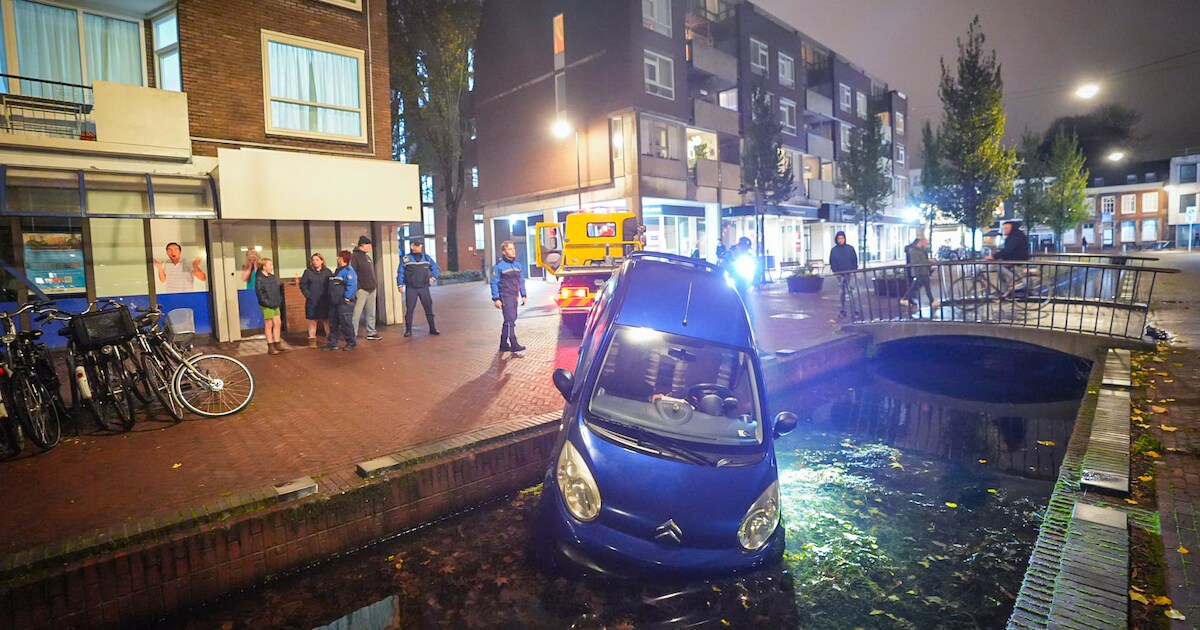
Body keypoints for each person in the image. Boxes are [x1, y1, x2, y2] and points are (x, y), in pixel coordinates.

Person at [490, 240, 527, 353]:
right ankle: (513, 343)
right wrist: (496, 299)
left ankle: (503, 344)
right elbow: (494, 283)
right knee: (510, 319)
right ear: (504, 252)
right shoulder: (498, 267)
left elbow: (521, 281)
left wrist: (523, 294)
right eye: (510, 249)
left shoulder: (518, 265)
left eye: (513, 249)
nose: (513, 251)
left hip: (514, 296)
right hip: (505, 296)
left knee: (510, 319)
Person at [397, 240, 440, 337]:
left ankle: (432, 328)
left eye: (418, 245)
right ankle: (408, 331)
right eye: (414, 245)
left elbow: (435, 268)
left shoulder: (426, 257)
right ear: (411, 246)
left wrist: (433, 277)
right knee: (410, 309)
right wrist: (400, 285)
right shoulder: (406, 259)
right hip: (411, 288)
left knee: (428, 308)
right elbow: (400, 272)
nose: (416, 247)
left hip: (424, 287)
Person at [323, 251, 358, 351]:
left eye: (339, 257)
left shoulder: (348, 271)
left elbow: (352, 285)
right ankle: (333, 343)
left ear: (342, 258)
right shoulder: (338, 270)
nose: (337, 258)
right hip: (334, 302)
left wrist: (347, 297)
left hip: (344, 303)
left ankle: (351, 343)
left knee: (346, 323)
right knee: (333, 324)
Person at [298, 253, 333, 349]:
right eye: (313, 260)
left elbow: (332, 284)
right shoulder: (308, 272)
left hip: (325, 300)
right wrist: (308, 295)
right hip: (313, 301)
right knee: (313, 321)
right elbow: (303, 285)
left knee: (326, 320)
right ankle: (312, 341)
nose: (315, 262)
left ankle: (330, 340)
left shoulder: (327, 272)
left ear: (322, 261)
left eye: (317, 259)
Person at [985, 221, 1030, 294]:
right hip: (1014, 257)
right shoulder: (1014, 235)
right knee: (1000, 271)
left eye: (1006, 228)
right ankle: (1004, 291)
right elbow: (1007, 250)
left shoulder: (1015, 236)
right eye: (1004, 228)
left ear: (1012, 228)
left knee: (997, 266)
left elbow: (1008, 249)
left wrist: (994, 256)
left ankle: (1016, 280)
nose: (1005, 230)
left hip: (1017, 258)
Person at [350, 236, 381, 341]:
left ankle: (371, 332)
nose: (371, 247)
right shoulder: (355, 257)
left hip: (371, 288)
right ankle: (352, 333)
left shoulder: (367, 257)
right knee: (356, 313)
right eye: (369, 245)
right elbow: (352, 273)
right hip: (362, 290)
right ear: (363, 245)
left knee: (371, 312)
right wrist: (358, 287)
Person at [254, 258, 286, 355]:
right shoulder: (259, 279)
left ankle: (277, 343)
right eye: (270, 265)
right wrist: (268, 303)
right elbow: (260, 293)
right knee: (269, 325)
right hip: (267, 305)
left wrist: (278, 300)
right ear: (264, 267)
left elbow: (276, 290)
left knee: (278, 323)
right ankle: (270, 346)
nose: (272, 267)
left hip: (275, 303)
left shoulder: (272, 277)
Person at [899, 236, 935, 313]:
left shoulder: (918, 250)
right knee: (925, 286)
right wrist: (929, 261)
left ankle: (905, 299)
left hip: (921, 271)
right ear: (921, 242)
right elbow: (918, 262)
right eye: (925, 243)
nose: (926, 245)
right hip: (920, 271)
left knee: (916, 286)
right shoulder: (914, 251)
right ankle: (931, 301)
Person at [829, 230, 860, 318]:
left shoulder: (850, 249)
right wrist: (836, 272)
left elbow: (854, 260)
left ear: (844, 238)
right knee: (841, 293)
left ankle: (855, 310)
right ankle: (843, 310)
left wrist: (854, 271)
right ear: (836, 239)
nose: (840, 240)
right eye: (839, 238)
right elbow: (832, 262)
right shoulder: (834, 250)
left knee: (852, 293)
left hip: (850, 274)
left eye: (842, 238)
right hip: (840, 274)